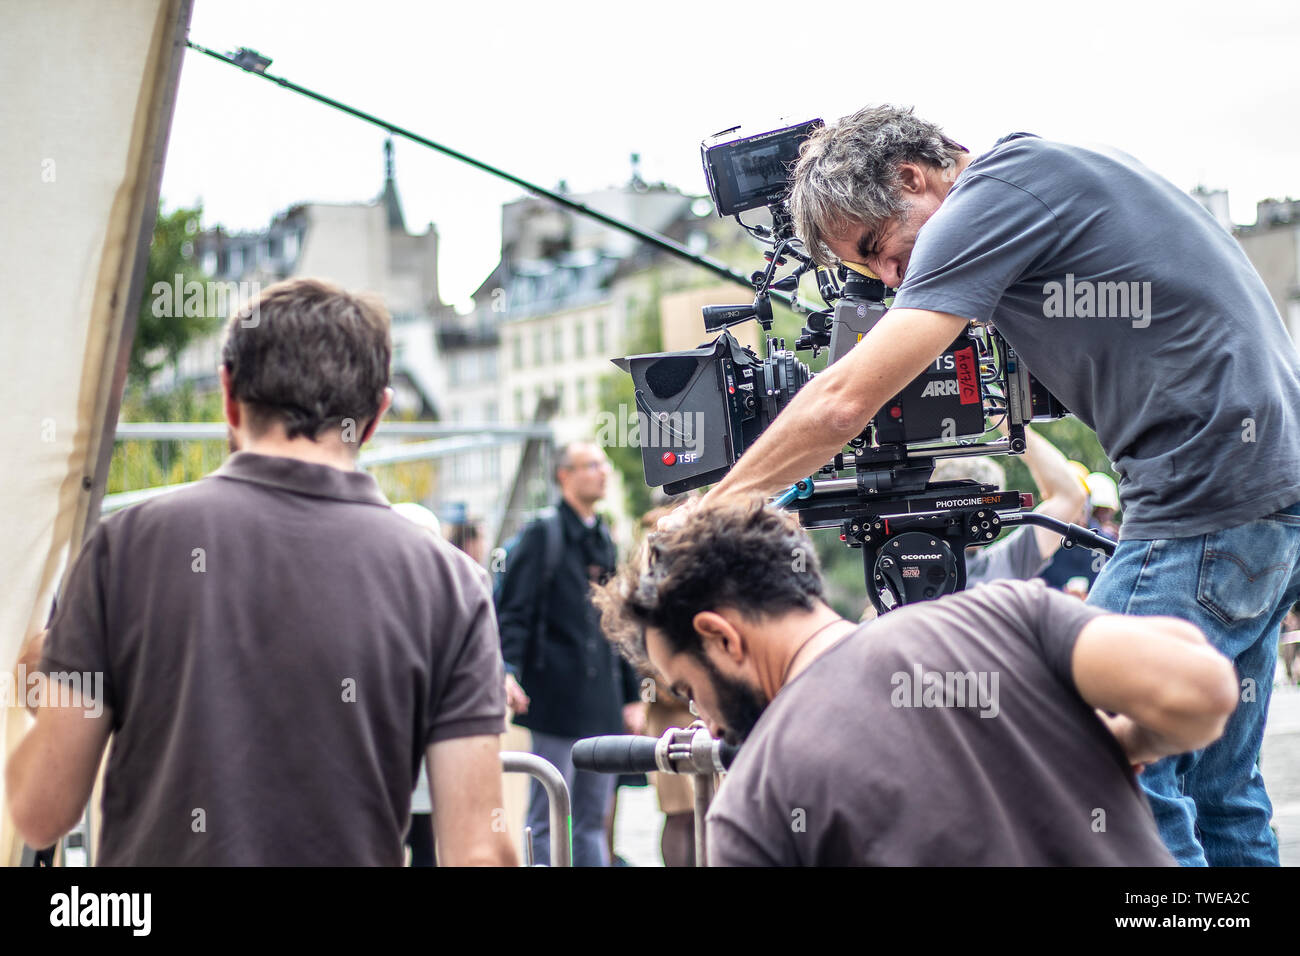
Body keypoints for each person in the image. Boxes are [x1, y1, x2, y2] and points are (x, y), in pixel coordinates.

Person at [690, 105, 1300, 866]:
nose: (889, 278)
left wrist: (711, 513)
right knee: (1221, 791)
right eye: (867, 270)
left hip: (1199, 492)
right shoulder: (1050, 176)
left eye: (878, 247)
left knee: (1094, 758)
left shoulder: (994, 193)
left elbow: (846, 401)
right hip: (1265, 499)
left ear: (913, 176)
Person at [5, 278, 517, 866]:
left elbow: (41, 811)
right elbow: (478, 850)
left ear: (228, 395)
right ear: (376, 413)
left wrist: (34, 691)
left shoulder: (124, 549)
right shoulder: (451, 584)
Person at [605, 498, 1238, 866]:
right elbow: (1203, 690)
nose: (703, 723)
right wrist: (1112, 741)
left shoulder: (755, 807)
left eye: (688, 688)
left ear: (721, 637)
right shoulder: (1003, 613)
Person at [496, 441, 644, 866]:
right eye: (590, 465)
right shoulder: (543, 534)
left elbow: (617, 624)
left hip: (601, 704)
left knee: (594, 818)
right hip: (555, 699)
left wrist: (632, 696)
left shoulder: (603, 536)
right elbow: (514, 613)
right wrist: (507, 670)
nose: (602, 472)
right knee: (548, 811)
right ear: (565, 476)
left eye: (602, 465)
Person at [931, 421, 1086, 586]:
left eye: (986, 504)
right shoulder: (904, 559)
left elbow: (1070, 496)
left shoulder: (1006, 561)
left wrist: (1012, 424)